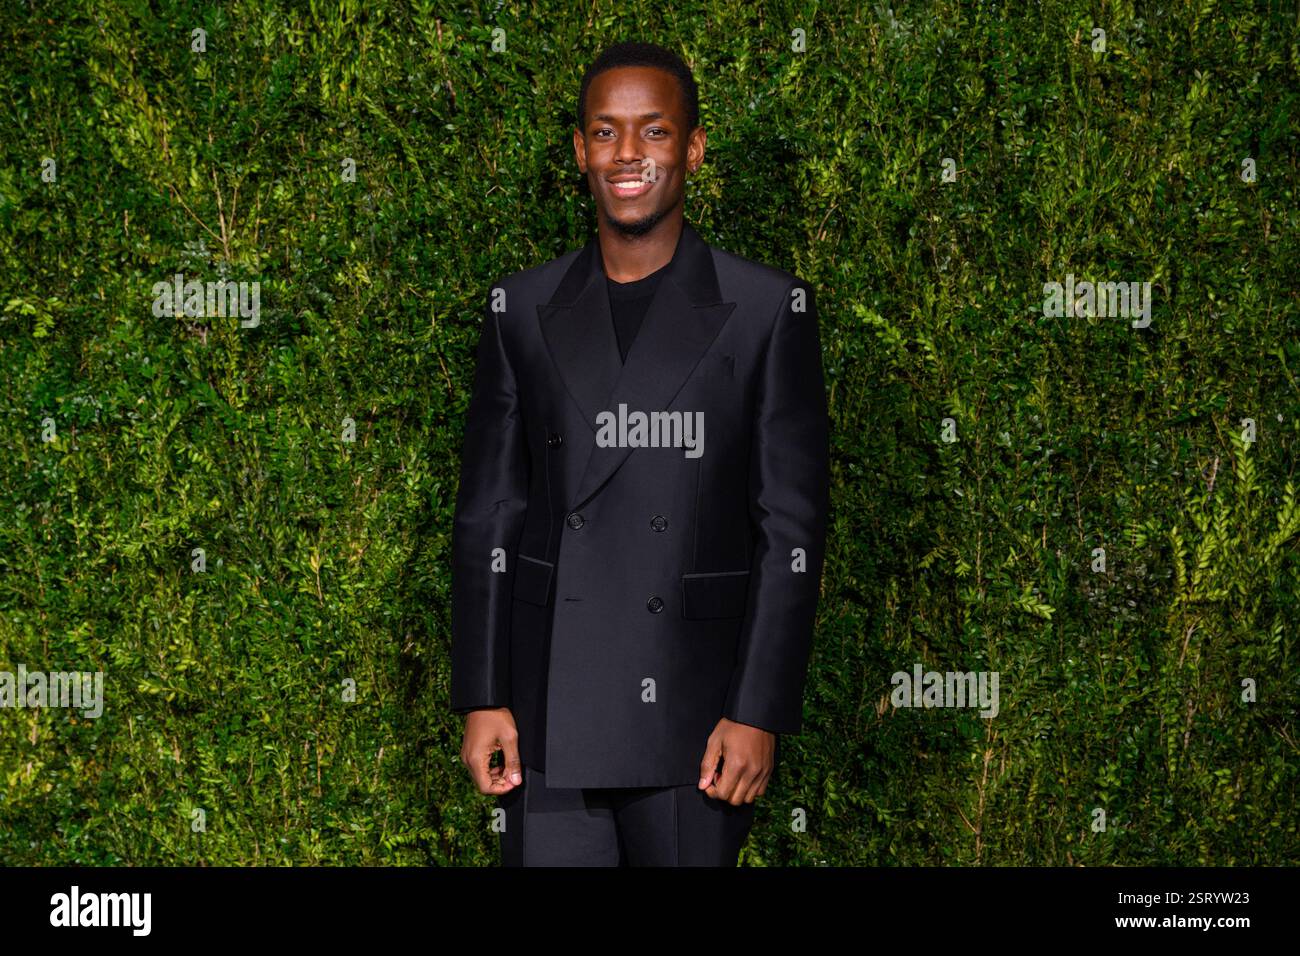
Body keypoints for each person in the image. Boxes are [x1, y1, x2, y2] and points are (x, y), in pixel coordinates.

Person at [450, 40, 829, 866]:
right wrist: (482, 696)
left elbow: (790, 530)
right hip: (550, 713)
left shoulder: (768, 309)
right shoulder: (520, 306)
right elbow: (492, 512)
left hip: (695, 723)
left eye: (654, 132)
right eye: (607, 132)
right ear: (581, 150)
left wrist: (757, 710)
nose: (629, 154)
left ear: (693, 148)